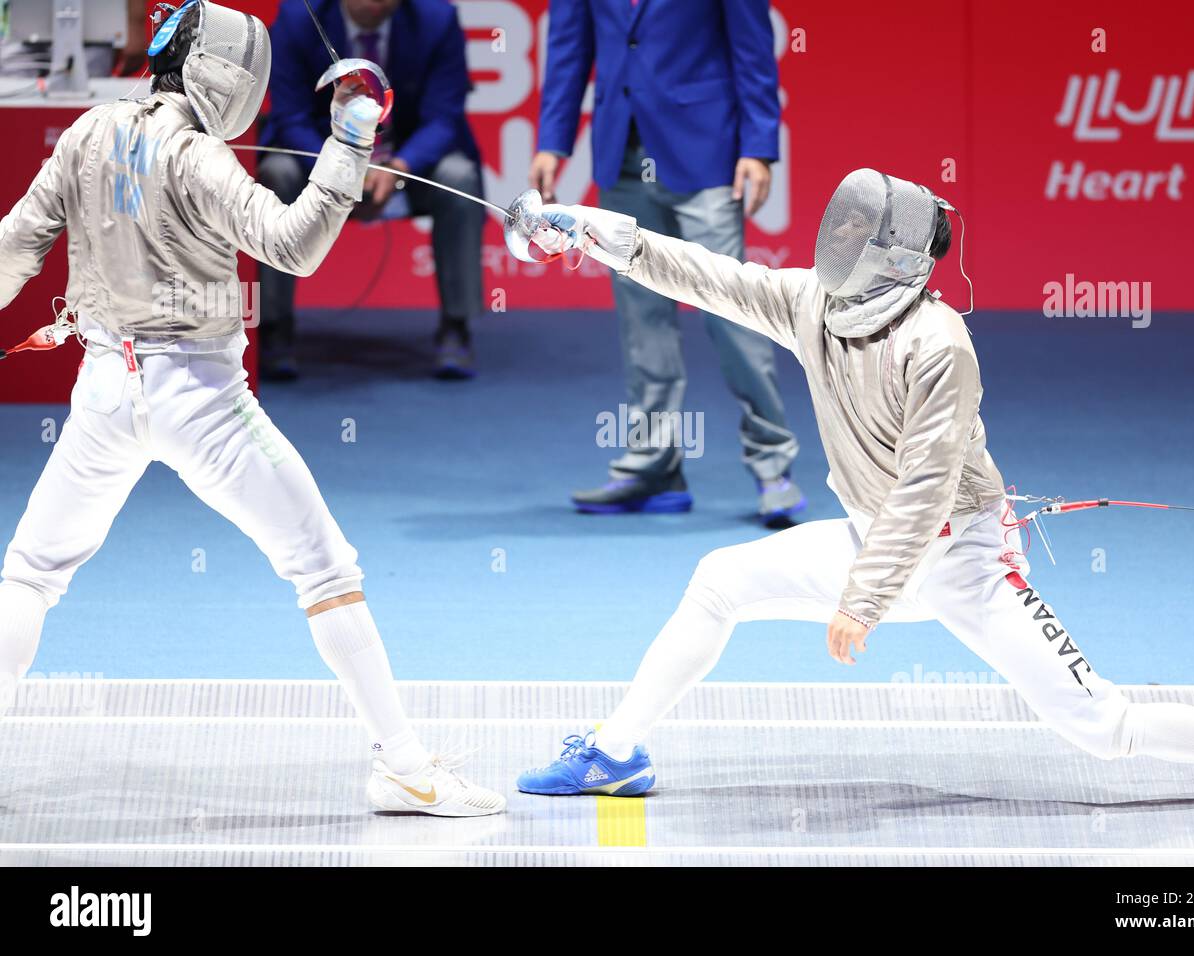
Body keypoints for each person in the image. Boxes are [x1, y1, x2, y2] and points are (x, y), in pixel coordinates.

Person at [514, 170, 1194, 799]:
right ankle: (614, 756)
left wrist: (865, 597)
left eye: (861, 230)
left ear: (897, 255)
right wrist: (603, 235)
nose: (842, 237)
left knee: (1102, 726)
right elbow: (715, 276)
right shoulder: (814, 303)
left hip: (962, 556)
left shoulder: (939, 344)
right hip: (869, 535)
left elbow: (924, 487)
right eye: (844, 223)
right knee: (718, 580)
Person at [0, 0, 503, 817]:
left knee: (29, 573)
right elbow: (294, 245)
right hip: (201, 400)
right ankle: (404, 767)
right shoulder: (200, 159)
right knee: (325, 570)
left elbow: (15, 245)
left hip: (101, 392)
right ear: (229, 78)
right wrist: (349, 143)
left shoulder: (89, 133)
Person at [533, 0, 805, 523]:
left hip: (706, 154)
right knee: (643, 317)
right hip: (621, 154)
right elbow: (567, 49)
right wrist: (553, 139)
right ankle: (654, 463)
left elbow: (752, 49)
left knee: (736, 312)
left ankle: (773, 464)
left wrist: (759, 145)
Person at [258, 0, 484, 381]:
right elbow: (290, 116)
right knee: (275, 172)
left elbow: (444, 117)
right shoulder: (300, 18)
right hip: (319, 162)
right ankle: (274, 327)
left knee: (459, 177)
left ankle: (456, 326)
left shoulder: (436, 18)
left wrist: (397, 168)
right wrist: (341, 172)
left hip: (404, 166)